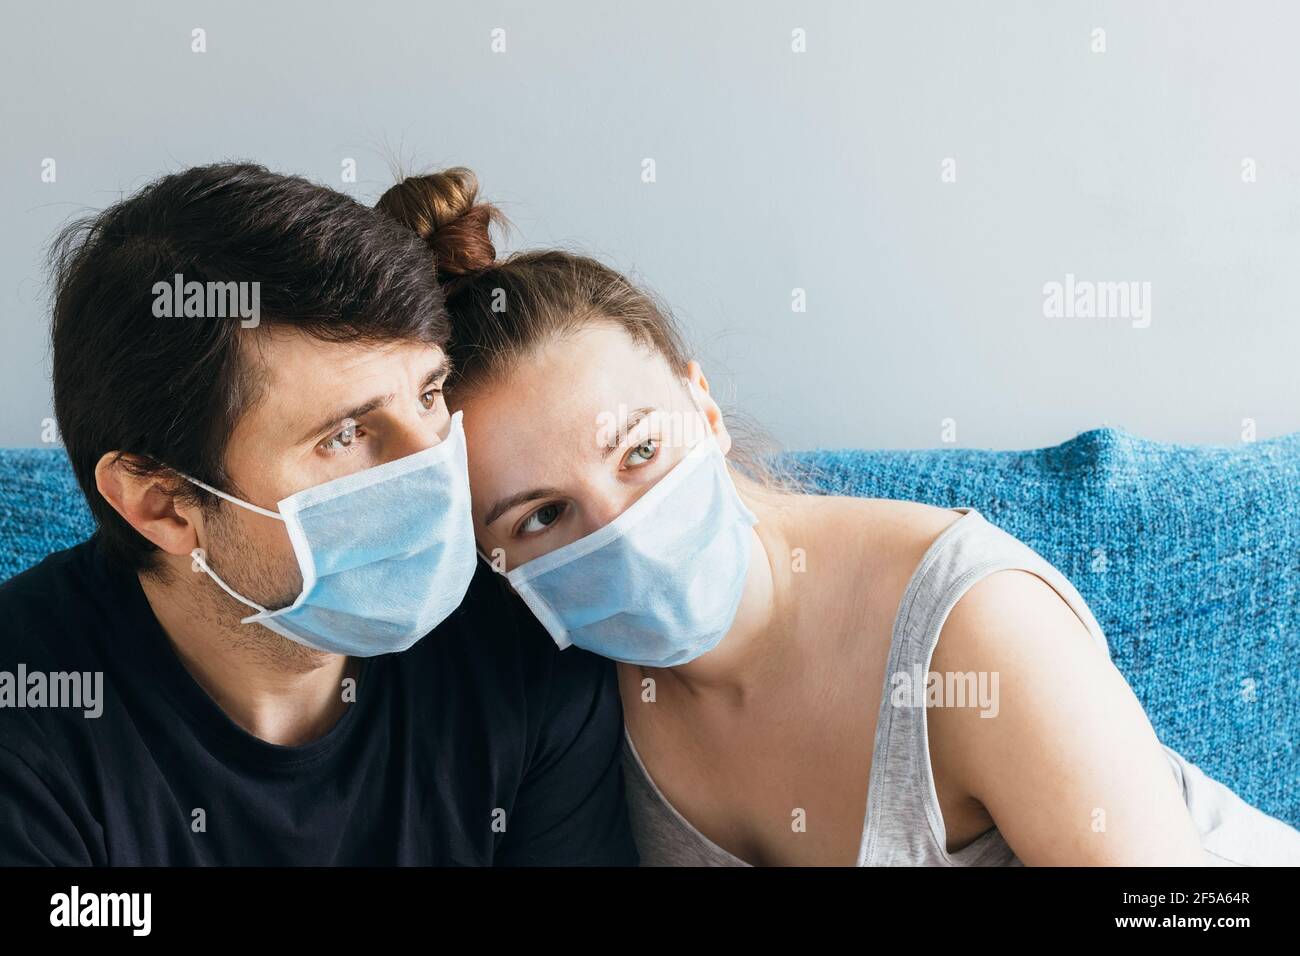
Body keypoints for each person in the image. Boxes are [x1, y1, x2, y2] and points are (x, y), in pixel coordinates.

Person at [375, 166, 1300, 866]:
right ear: (488, 559)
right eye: (541, 517)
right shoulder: (561, 705)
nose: (622, 526)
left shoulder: (971, 629)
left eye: (641, 451)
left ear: (701, 402)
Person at [0, 163, 637, 866]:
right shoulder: (31, 721)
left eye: (429, 396)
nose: (432, 470)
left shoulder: (528, 644)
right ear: (161, 504)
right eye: (346, 435)